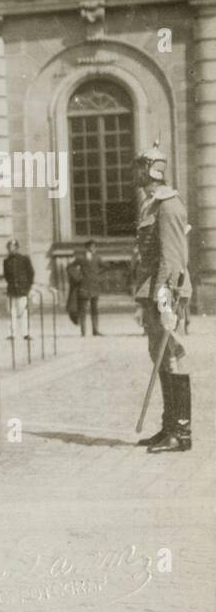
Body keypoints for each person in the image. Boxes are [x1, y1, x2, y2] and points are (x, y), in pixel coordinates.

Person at [133, 143, 191, 453]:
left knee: (172, 354)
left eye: (139, 167)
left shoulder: (168, 205)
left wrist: (165, 299)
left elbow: (172, 257)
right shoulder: (151, 204)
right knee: (160, 355)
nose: (136, 173)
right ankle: (169, 426)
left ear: (149, 169)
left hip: (165, 290)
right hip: (154, 291)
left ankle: (181, 433)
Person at [67, 240, 103, 336]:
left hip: (95, 286)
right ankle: (83, 331)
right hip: (84, 286)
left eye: (95, 247)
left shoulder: (98, 258)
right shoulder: (80, 258)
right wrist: (78, 277)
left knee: (95, 309)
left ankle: (95, 330)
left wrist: (98, 276)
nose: (94, 249)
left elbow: (104, 267)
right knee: (83, 309)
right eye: (92, 247)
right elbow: (70, 267)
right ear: (87, 247)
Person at [3, 239, 35, 341]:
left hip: (22, 290)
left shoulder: (24, 259)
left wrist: (27, 287)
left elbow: (31, 274)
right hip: (12, 290)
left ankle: (25, 333)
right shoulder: (6, 261)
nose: (11, 249)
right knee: (12, 312)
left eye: (13, 247)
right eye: (9, 247)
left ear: (17, 248)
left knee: (23, 312)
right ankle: (12, 334)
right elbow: (6, 276)